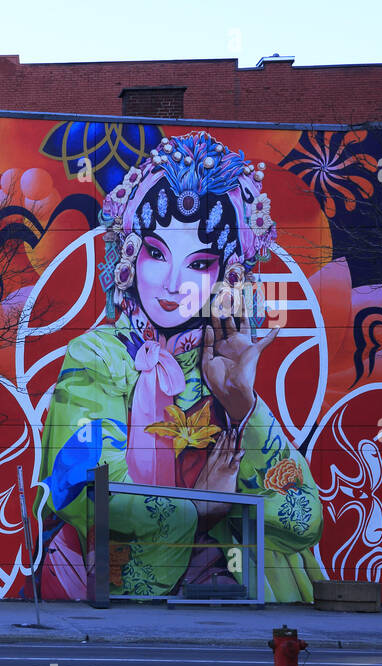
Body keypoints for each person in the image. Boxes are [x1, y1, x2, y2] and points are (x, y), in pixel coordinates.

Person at [38, 130, 321, 602]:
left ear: (227, 273)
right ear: (129, 255)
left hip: (224, 614)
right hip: (99, 604)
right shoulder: (95, 357)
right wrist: (205, 511)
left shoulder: (221, 366)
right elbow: (89, 495)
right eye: (156, 253)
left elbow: (302, 517)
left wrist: (242, 407)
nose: (172, 283)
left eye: (199, 263)